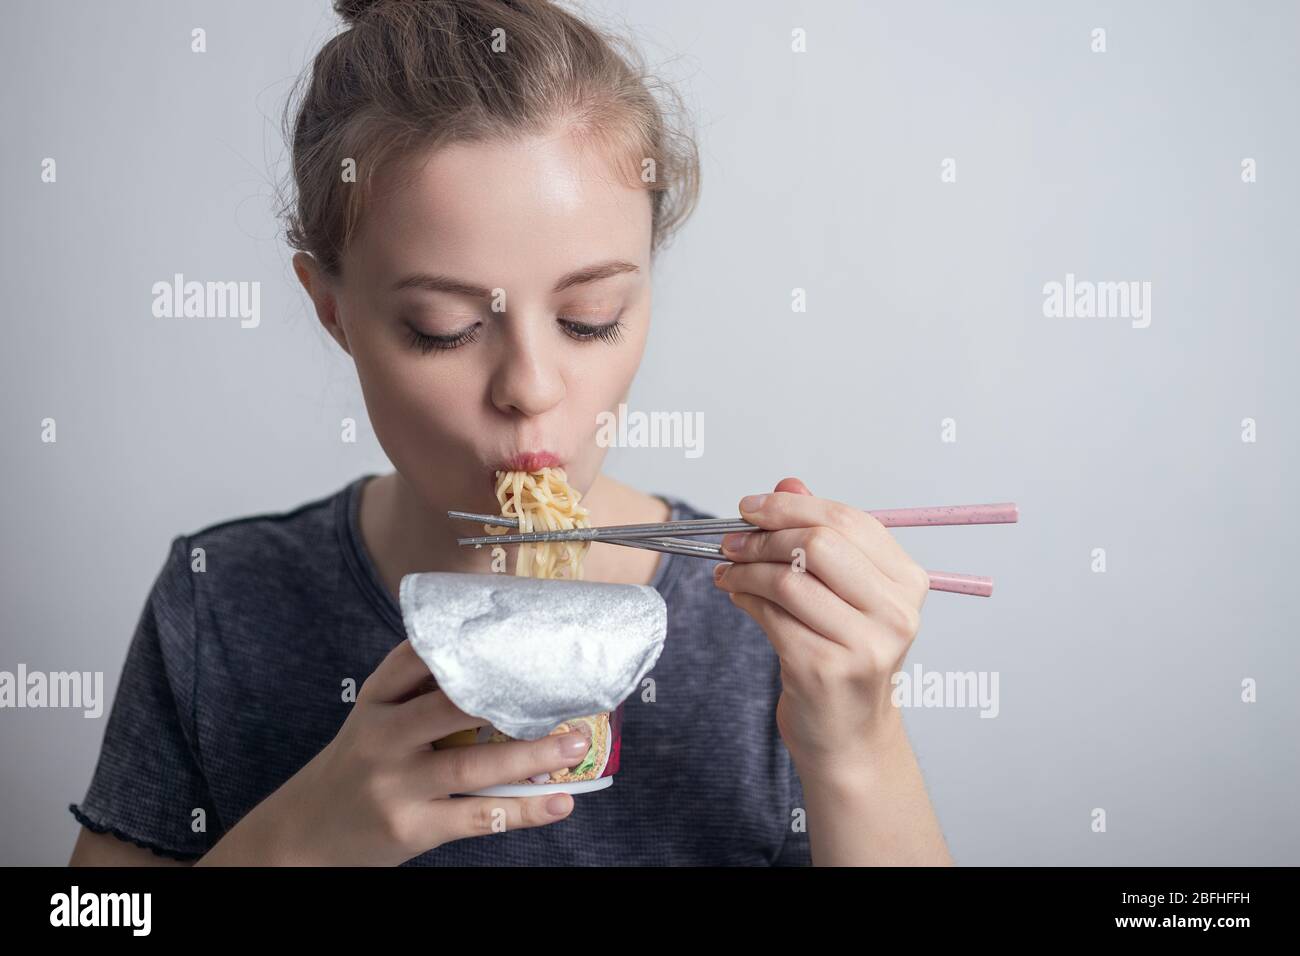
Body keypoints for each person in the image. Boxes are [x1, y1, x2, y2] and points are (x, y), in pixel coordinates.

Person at [68, 0, 951, 866]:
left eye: (591, 318)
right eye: (444, 327)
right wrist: (295, 846)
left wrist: (858, 746)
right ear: (331, 310)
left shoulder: (766, 634)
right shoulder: (222, 603)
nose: (530, 388)